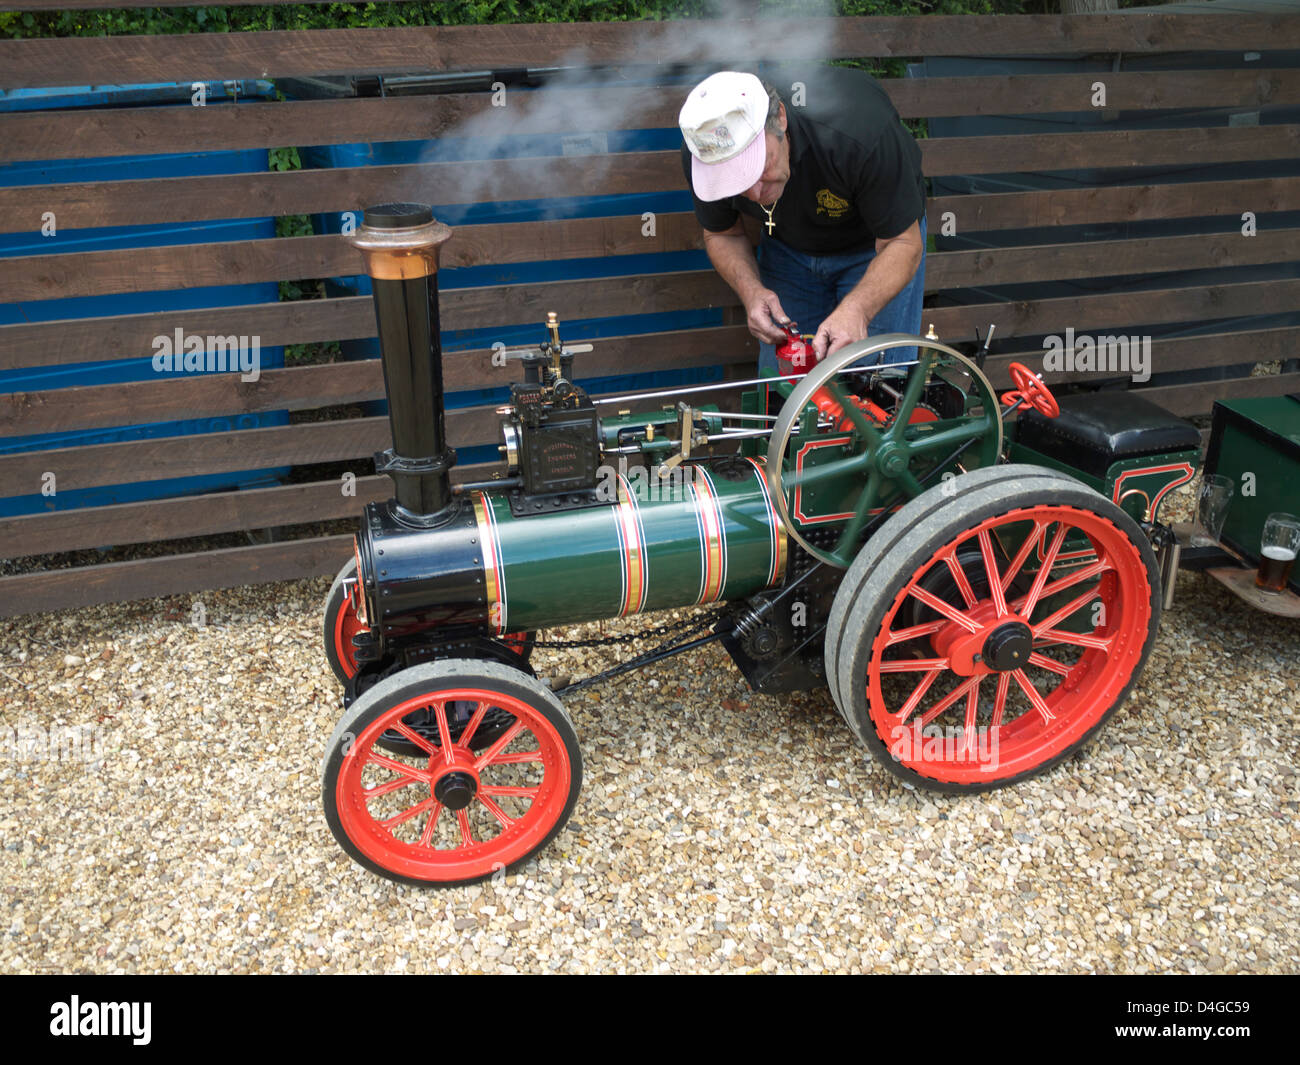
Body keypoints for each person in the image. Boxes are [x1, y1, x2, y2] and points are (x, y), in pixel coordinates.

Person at [678, 66, 927, 373]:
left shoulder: (859, 129)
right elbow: (723, 234)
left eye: (759, 165)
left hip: (877, 248)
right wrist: (752, 291)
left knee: (877, 387)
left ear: (780, 118)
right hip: (788, 253)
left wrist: (858, 310)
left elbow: (902, 242)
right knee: (785, 385)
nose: (755, 192)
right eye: (737, 178)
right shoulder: (705, 153)